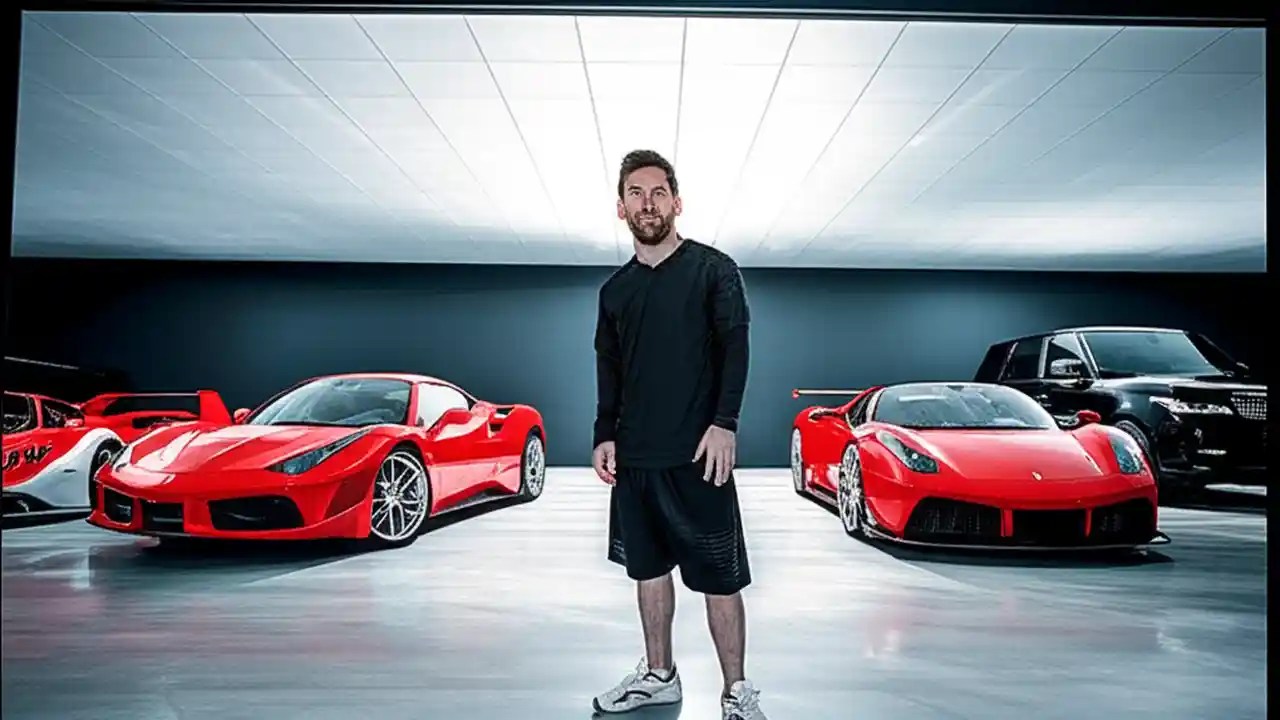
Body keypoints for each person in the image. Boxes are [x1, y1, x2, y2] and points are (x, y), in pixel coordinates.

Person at [590, 149, 766, 720]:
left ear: (677, 202)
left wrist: (725, 423)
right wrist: (604, 433)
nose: (648, 203)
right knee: (647, 570)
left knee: (719, 577)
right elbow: (609, 366)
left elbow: (735, 351)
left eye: (658, 192)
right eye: (636, 194)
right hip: (637, 457)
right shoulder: (614, 292)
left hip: (698, 455)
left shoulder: (715, 271)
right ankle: (659, 676)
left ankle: (736, 692)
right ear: (621, 208)